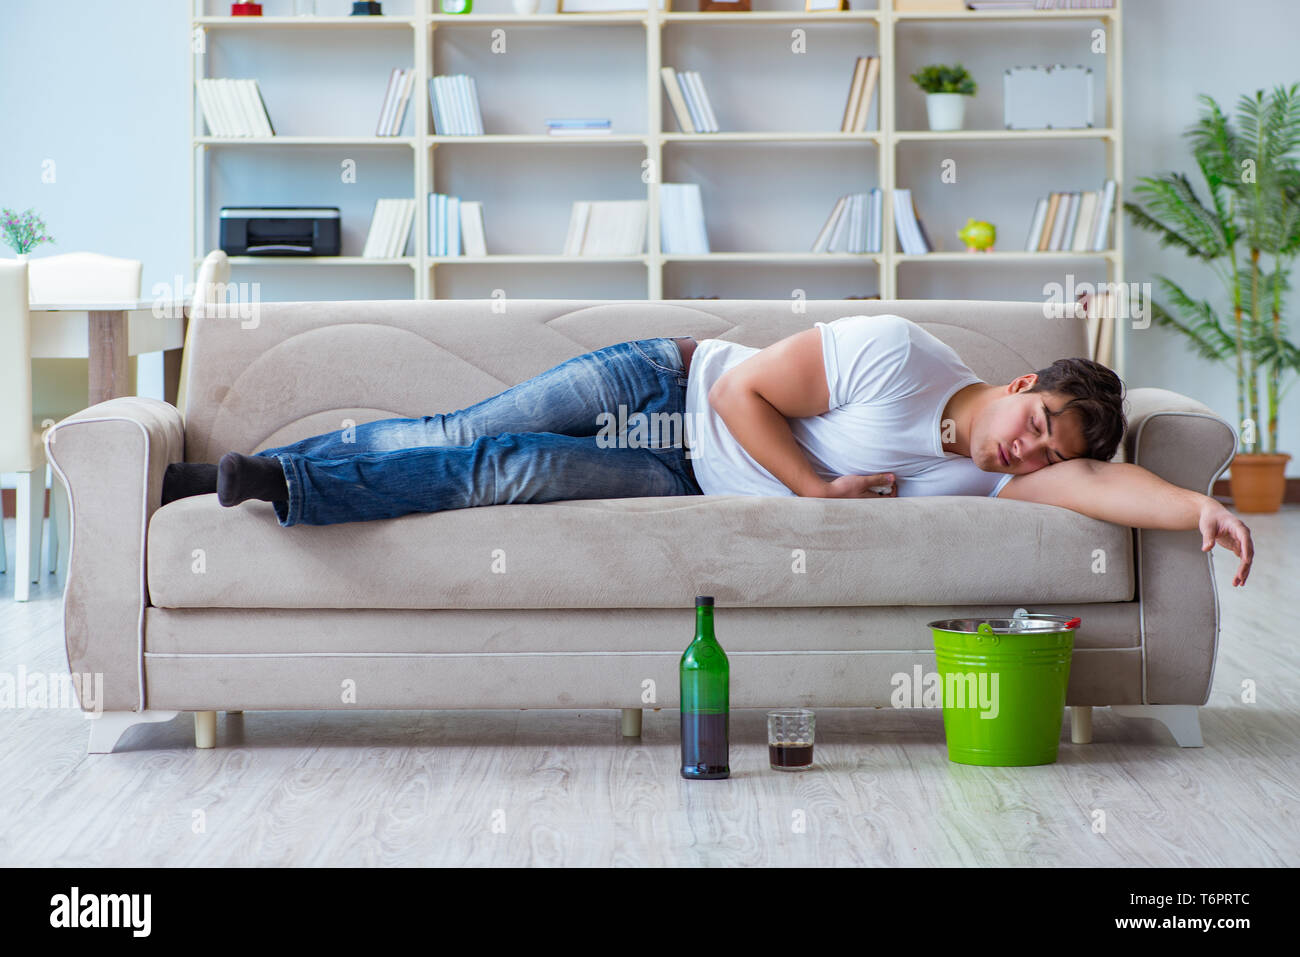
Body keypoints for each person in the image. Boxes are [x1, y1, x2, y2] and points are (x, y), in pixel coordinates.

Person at [161, 312, 1254, 587]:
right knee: (470, 434)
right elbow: (739, 392)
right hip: (664, 384)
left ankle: (275, 484)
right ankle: (248, 473)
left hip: (676, 473)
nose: (1027, 455)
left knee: (501, 474)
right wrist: (818, 488)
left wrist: (1199, 504)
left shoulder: (996, 472)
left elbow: (1109, 482)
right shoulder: (893, 354)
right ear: (1022, 383)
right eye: (1037, 425)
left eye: (1045, 453)